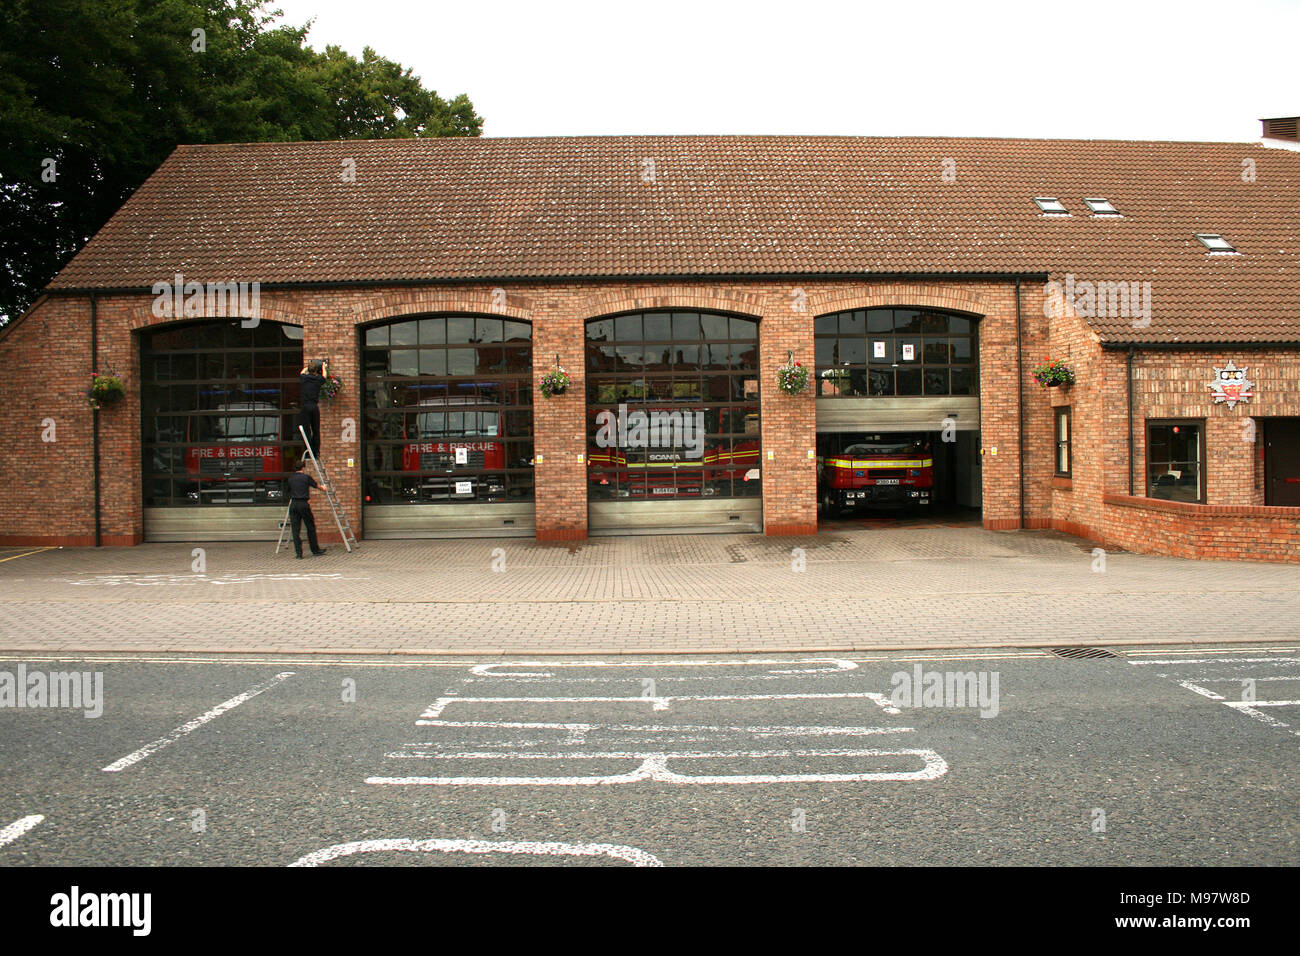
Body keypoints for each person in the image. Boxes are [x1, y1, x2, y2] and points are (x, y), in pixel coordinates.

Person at [287, 458, 327, 558]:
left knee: (295, 530)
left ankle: (299, 554)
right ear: (303, 468)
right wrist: (324, 487)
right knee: (310, 527)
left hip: (293, 504)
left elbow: (288, 491)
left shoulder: (291, 478)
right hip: (303, 504)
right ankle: (315, 550)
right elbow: (317, 486)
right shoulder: (306, 477)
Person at [298, 358, 327, 458]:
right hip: (314, 407)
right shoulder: (318, 379)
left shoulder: (304, 378)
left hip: (305, 407)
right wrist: (323, 366)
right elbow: (324, 376)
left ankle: (308, 451)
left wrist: (308, 365)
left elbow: (302, 372)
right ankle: (316, 452)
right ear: (316, 371)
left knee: (306, 430)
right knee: (316, 430)